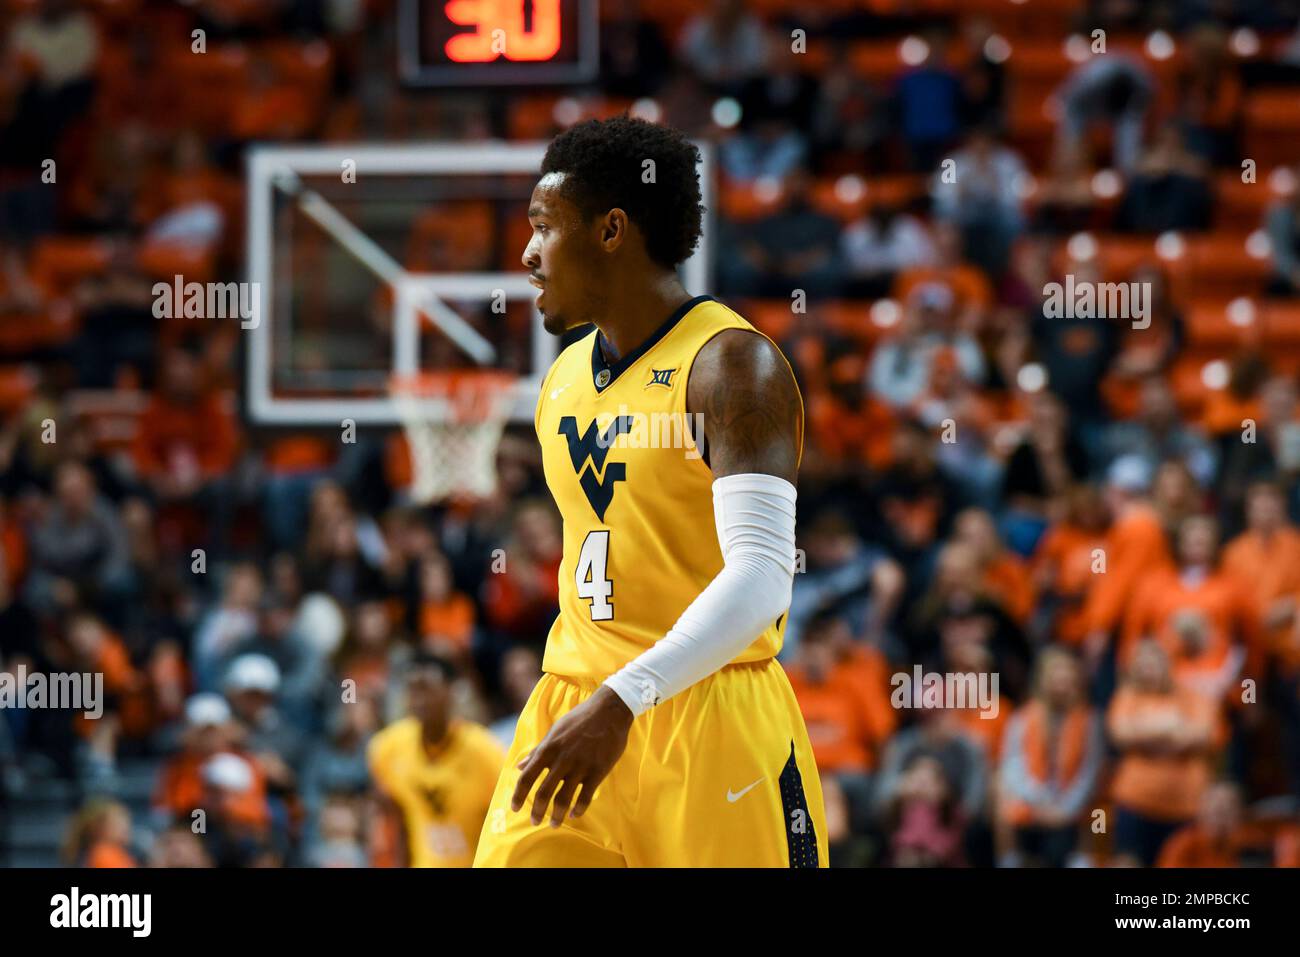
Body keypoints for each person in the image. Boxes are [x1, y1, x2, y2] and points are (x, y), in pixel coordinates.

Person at [473, 116, 827, 867]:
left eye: (545, 227)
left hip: (708, 718)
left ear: (611, 230)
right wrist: (602, 700)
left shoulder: (733, 367)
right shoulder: (565, 375)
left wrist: (626, 698)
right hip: (573, 706)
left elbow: (765, 576)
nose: (529, 254)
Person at [367, 651, 504, 868]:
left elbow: (503, 825)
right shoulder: (387, 748)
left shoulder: (487, 752)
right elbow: (395, 824)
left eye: (426, 688)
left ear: (451, 691)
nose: (418, 698)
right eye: (412, 689)